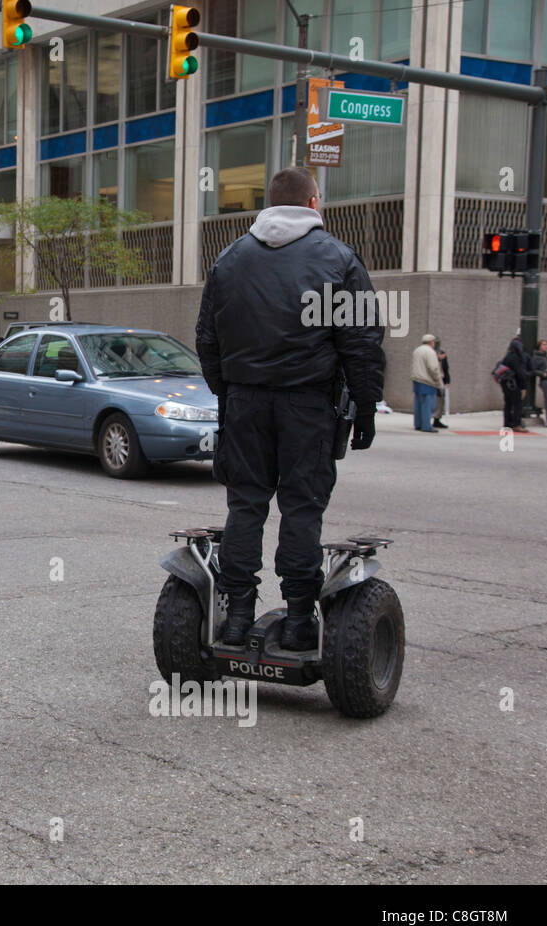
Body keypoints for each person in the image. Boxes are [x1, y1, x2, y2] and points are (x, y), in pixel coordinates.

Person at [196, 166, 386, 652]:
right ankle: (300, 619)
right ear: (313, 202)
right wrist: (365, 407)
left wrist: (227, 391)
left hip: (244, 401)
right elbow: (361, 343)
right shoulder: (339, 259)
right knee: (301, 506)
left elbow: (207, 338)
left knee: (245, 504)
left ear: (268, 203)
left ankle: (237, 616)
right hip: (308, 404)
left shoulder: (229, 259)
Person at [410, 333, 443, 433]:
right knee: (428, 405)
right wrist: (438, 381)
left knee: (418, 404)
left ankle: (418, 424)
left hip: (416, 380)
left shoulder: (417, 350)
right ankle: (426, 426)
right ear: (432, 342)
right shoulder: (430, 352)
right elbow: (433, 368)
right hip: (427, 381)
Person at [501, 331, 530, 432]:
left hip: (505, 384)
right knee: (517, 404)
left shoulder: (507, 356)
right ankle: (516, 424)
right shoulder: (517, 357)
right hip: (515, 384)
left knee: (507, 404)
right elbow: (520, 373)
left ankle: (507, 423)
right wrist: (523, 387)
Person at [531, 338, 547, 428]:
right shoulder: (537, 357)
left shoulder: (545, 356)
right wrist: (543, 374)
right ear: (539, 346)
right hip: (545, 381)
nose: (546, 346)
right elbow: (534, 370)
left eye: (546, 345)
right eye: (544, 344)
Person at [432, 340, 450, 429]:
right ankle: (434, 418)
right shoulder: (430, 353)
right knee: (434, 401)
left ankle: (437, 419)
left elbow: (446, 368)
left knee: (440, 400)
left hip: (440, 379)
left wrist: (447, 381)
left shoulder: (441, 353)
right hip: (432, 380)